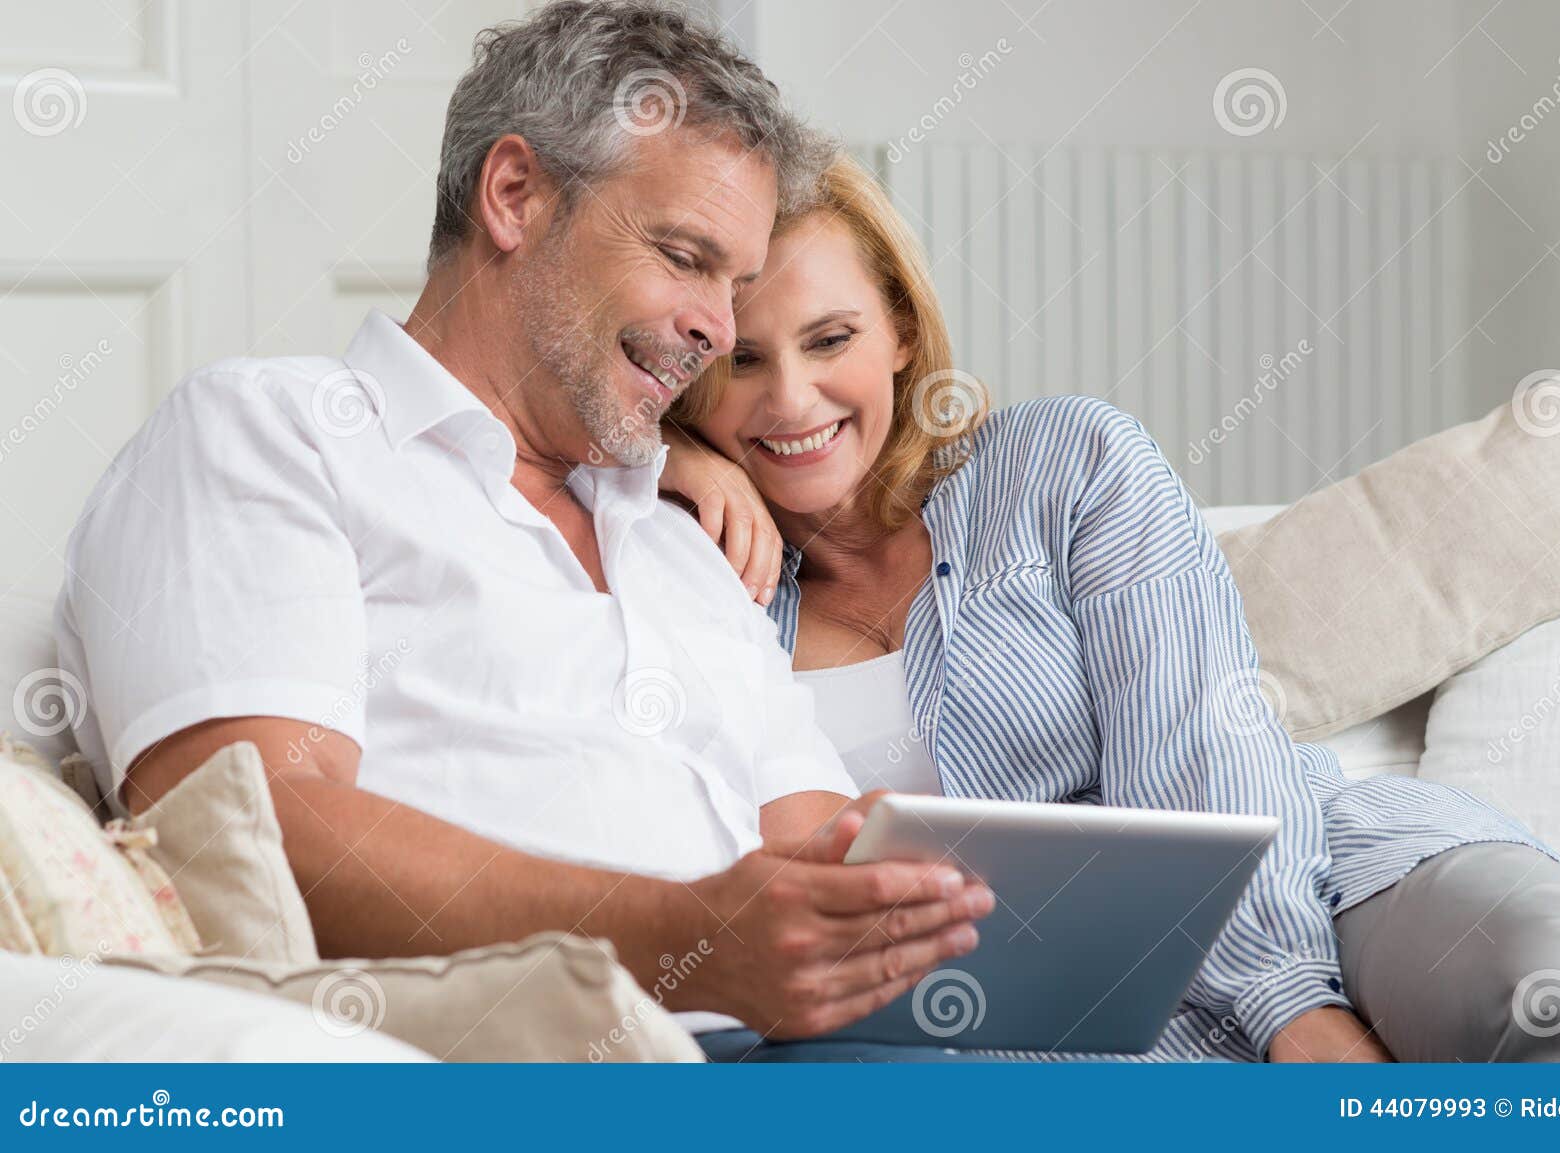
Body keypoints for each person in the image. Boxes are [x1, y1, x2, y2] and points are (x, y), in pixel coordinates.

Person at [54, 2, 999, 1062]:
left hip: (814, 1066)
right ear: (515, 195)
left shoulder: (684, 538)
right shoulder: (274, 436)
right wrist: (688, 937)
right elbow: (254, 820)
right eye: (686, 257)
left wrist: (919, 897)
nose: (721, 330)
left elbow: (815, 832)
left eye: (734, 286)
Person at [660, 155, 1560, 1062]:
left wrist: (1291, 1000)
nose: (790, 399)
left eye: (831, 339)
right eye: (741, 361)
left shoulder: (1067, 464)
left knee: (1548, 1007)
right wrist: (661, 462)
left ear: (901, 330)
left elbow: (1203, 744)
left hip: (1330, 881)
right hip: (1045, 1014)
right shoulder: (685, 574)